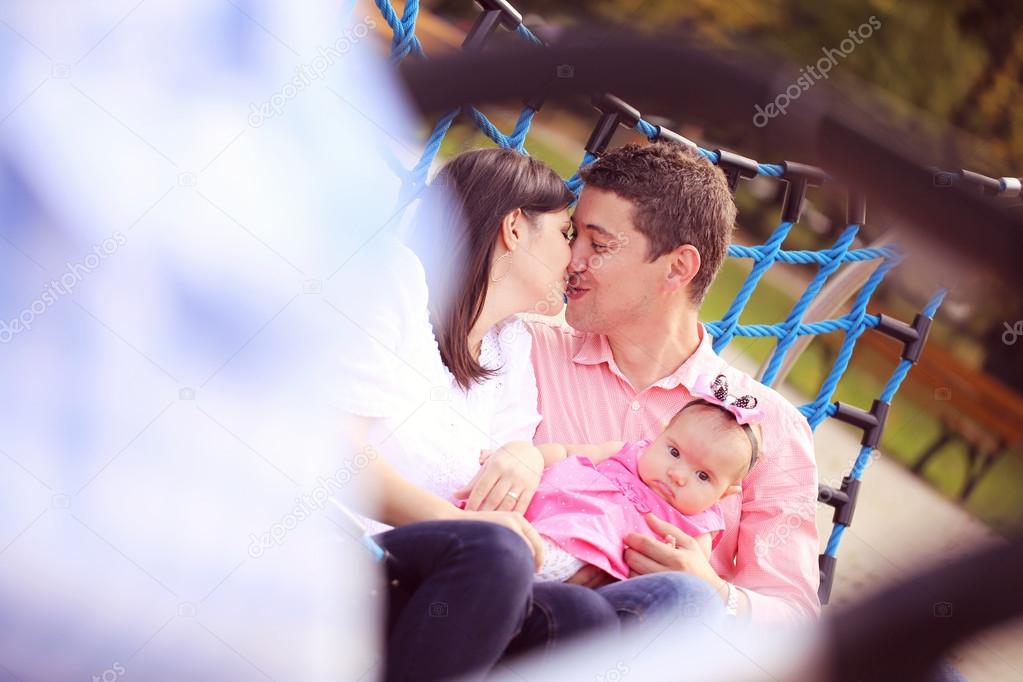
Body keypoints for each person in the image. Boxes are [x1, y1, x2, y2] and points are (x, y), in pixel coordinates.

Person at [461, 142, 821, 624]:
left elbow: (796, 619)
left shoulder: (768, 426)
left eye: (599, 244)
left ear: (677, 267)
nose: (572, 260)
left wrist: (713, 591)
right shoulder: (523, 347)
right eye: (573, 236)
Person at [335, 148, 621, 681]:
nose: (576, 257)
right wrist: (468, 526)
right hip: (340, 548)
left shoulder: (509, 349)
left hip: (436, 579)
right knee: (495, 553)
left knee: (583, 616)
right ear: (514, 227)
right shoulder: (393, 283)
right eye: (565, 233)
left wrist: (588, 550)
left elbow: (511, 500)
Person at [463, 373, 761, 586]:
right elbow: (568, 451)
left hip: (591, 546)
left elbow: (683, 572)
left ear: (725, 494)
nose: (677, 474)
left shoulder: (699, 528)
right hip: (549, 503)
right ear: (661, 433)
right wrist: (530, 457)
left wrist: (670, 556)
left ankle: (538, 563)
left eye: (702, 475)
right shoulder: (629, 451)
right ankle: (479, 533)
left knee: (593, 529)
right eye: (673, 451)